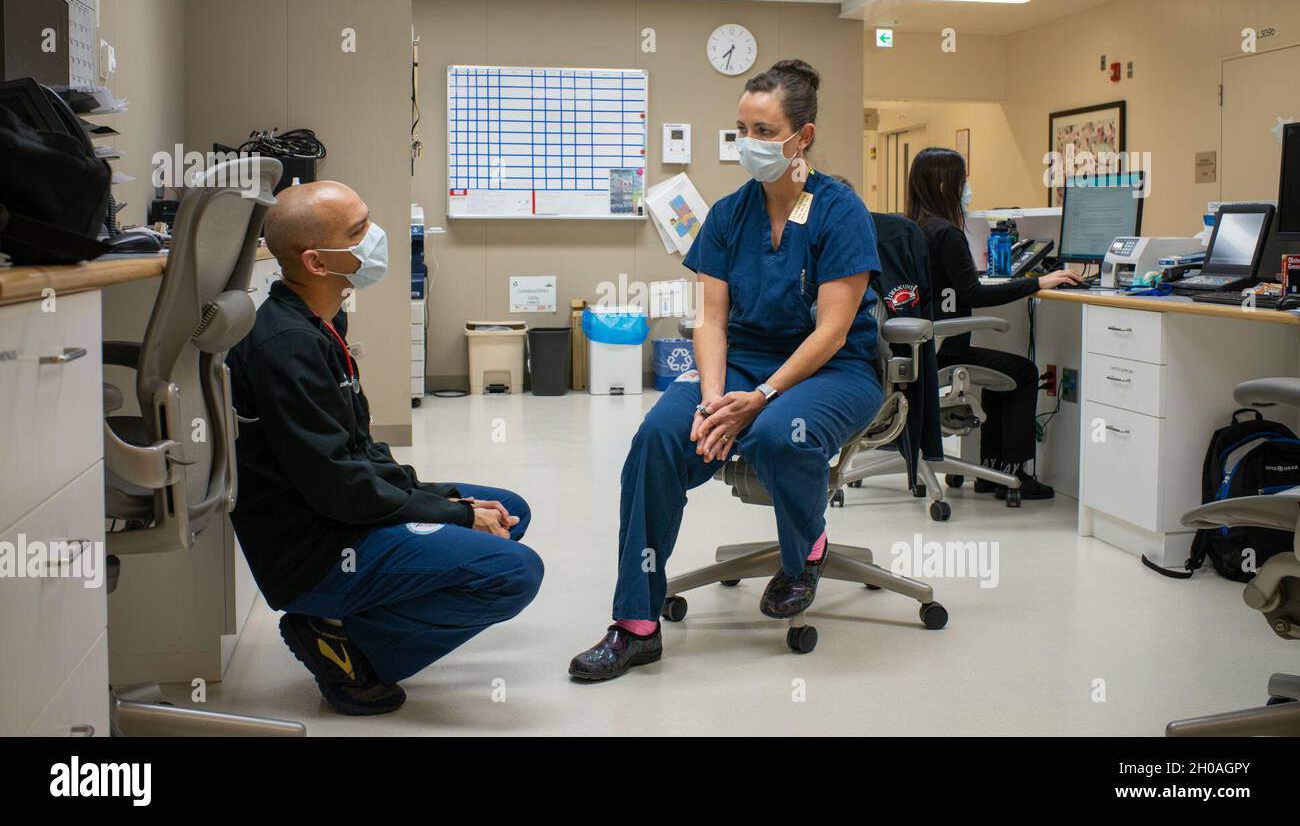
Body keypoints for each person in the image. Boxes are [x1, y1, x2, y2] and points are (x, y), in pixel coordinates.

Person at [569, 60, 883, 682]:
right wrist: (715, 398)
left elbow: (833, 330)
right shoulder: (729, 215)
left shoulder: (840, 211)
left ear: (803, 138)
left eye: (764, 130)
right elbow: (709, 320)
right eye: (741, 127)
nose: (749, 143)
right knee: (659, 437)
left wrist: (759, 397)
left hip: (834, 368)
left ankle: (805, 551)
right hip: (740, 362)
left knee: (776, 432)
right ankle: (635, 621)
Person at [228, 181, 543, 714]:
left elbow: (359, 451)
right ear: (317, 262)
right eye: (358, 232)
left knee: (508, 511)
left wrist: (444, 500)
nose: (376, 238)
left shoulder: (320, 323)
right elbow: (341, 487)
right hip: (317, 548)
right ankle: (340, 650)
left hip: (340, 509)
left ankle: (343, 622)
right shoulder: (287, 346)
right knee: (514, 571)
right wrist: (455, 515)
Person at [904, 147, 1082, 500]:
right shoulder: (947, 234)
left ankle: (990, 471)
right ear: (945, 186)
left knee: (1002, 369)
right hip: (944, 351)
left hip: (916, 350)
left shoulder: (911, 228)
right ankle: (1012, 473)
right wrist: (1038, 282)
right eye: (963, 180)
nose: (967, 188)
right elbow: (974, 294)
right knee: (1023, 372)